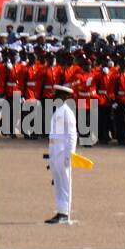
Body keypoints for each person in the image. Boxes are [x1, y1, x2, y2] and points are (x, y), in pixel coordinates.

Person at [45, 84, 77, 224]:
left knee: (65, 182)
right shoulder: (58, 110)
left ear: (63, 97)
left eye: (56, 95)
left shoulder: (67, 112)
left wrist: (70, 154)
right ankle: (60, 211)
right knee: (58, 182)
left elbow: (72, 135)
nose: (53, 96)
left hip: (63, 151)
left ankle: (65, 212)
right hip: (55, 150)